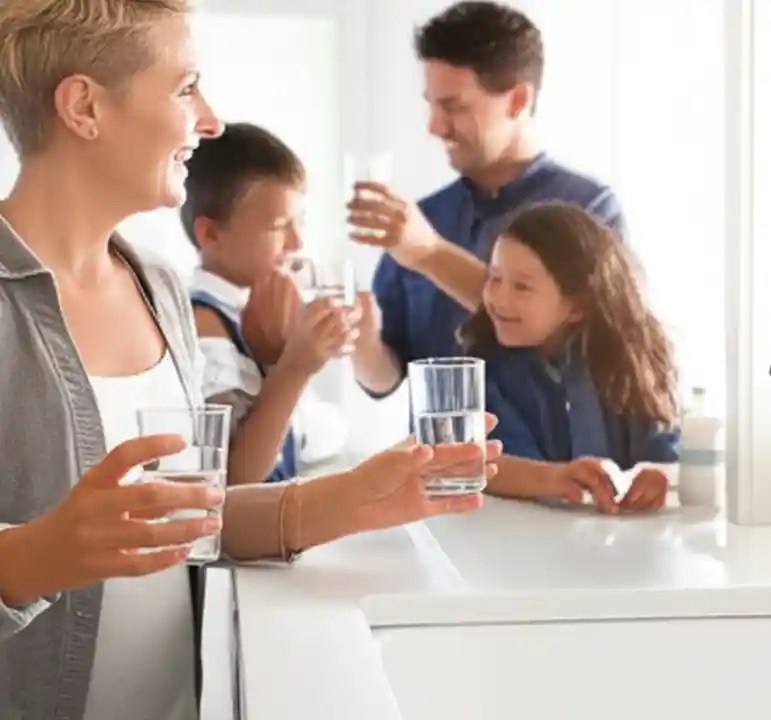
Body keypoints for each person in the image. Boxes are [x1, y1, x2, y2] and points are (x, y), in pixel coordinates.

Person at [0, 2, 496, 718]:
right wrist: (41, 552)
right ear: (84, 106)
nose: (210, 120)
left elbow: (190, 519)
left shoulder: (156, 286)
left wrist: (360, 497)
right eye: (184, 87)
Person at [347, 0, 628, 400]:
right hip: (439, 459)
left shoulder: (589, 208)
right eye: (431, 104)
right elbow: (387, 377)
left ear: (517, 101)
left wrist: (430, 254)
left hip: (555, 463)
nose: (434, 126)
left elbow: (587, 343)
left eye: (454, 106)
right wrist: (358, 339)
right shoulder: (424, 218)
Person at [363, 201, 679, 513]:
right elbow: (457, 459)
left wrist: (654, 476)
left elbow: (665, 450)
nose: (498, 299)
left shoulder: (628, 364)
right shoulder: (481, 366)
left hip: (607, 541)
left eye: (522, 287)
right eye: (495, 278)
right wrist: (553, 478)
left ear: (578, 306)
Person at [181, 121, 353, 485]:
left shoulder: (259, 308)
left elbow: (320, 434)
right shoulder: (205, 326)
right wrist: (294, 367)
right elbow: (236, 479)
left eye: (300, 222)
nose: (297, 243)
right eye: (278, 227)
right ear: (211, 234)